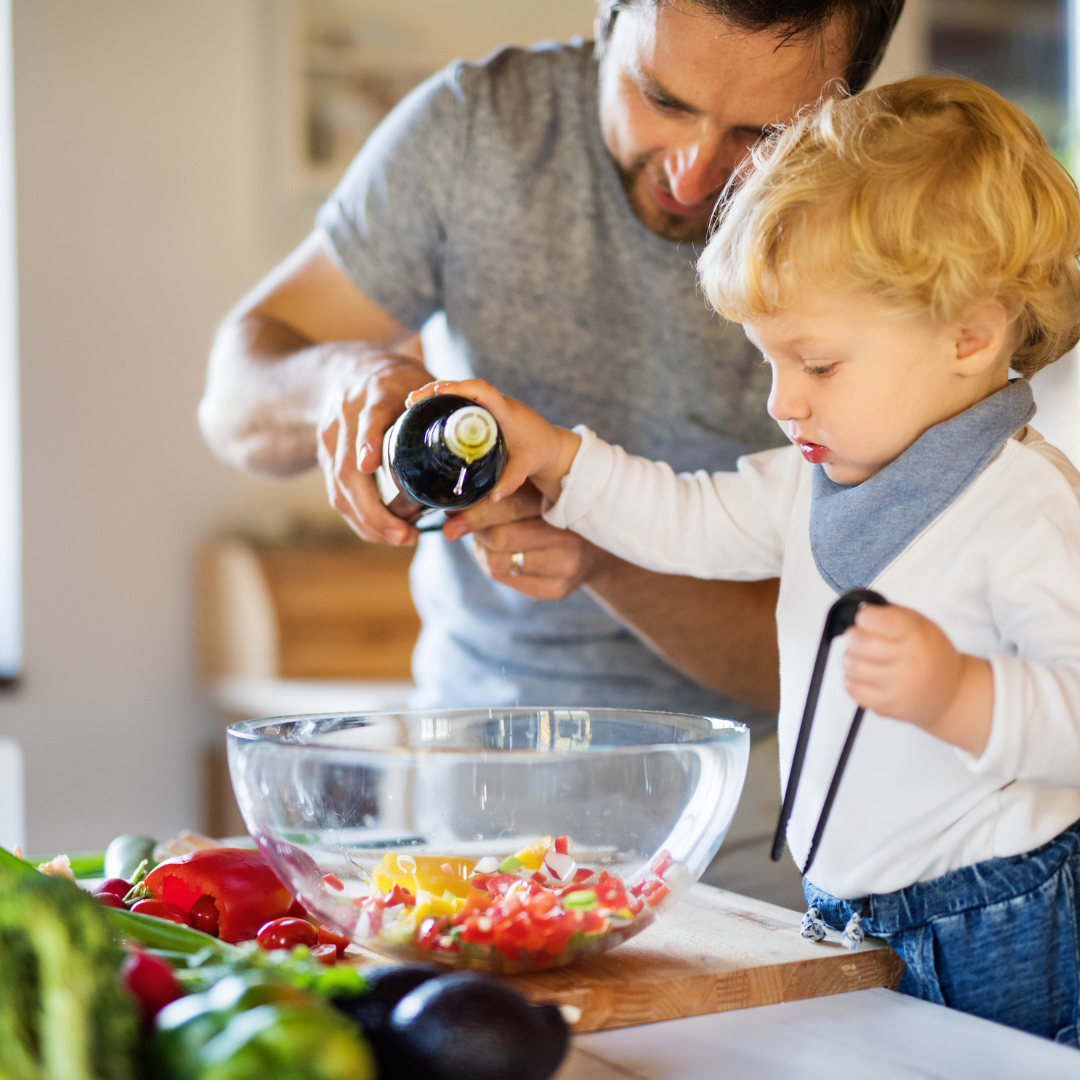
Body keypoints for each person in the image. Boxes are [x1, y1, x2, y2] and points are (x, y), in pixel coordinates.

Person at [407, 77, 1080, 1041]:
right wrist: (558, 458)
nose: (781, 400)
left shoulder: (1024, 507)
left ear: (971, 334)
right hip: (845, 908)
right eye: (771, 361)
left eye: (817, 363)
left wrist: (960, 695)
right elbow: (686, 520)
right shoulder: (813, 474)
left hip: (992, 921)